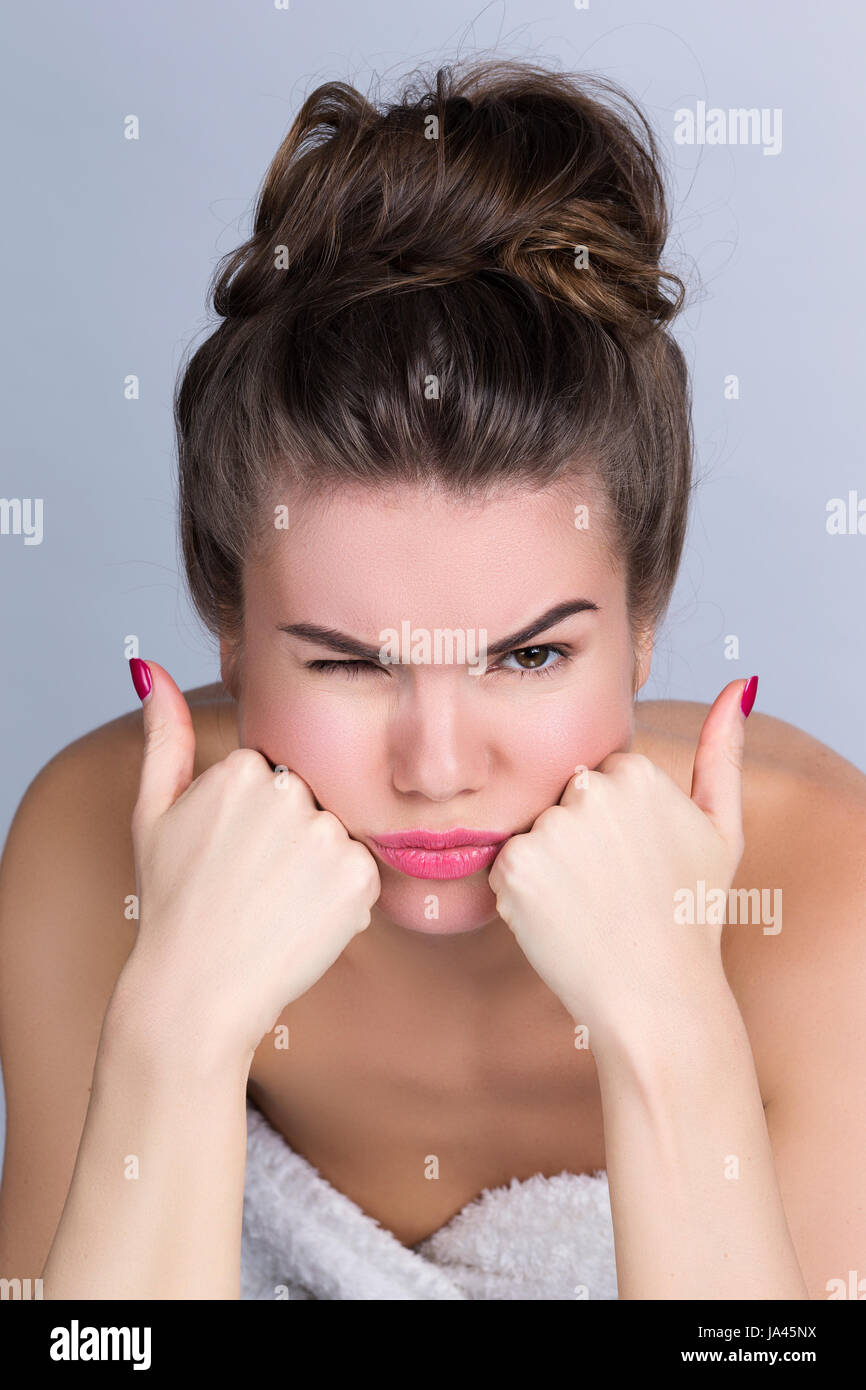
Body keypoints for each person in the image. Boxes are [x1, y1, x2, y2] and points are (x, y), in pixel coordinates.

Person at [1, 57, 864, 1301]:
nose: (440, 765)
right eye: (351, 662)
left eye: (529, 655)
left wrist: (674, 1033)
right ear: (227, 629)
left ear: (644, 623)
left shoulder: (818, 883)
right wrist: (173, 1031)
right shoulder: (92, 844)